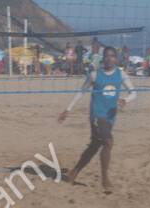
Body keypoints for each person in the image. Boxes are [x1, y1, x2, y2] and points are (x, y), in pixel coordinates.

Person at [58, 46, 137, 193]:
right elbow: (81, 92)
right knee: (108, 142)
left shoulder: (121, 74)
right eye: (106, 56)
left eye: (112, 56)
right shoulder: (94, 75)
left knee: (95, 145)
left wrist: (126, 100)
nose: (109, 58)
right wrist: (67, 109)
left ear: (116, 58)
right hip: (96, 114)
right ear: (103, 58)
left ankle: (73, 173)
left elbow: (134, 93)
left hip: (110, 116)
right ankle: (105, 179)